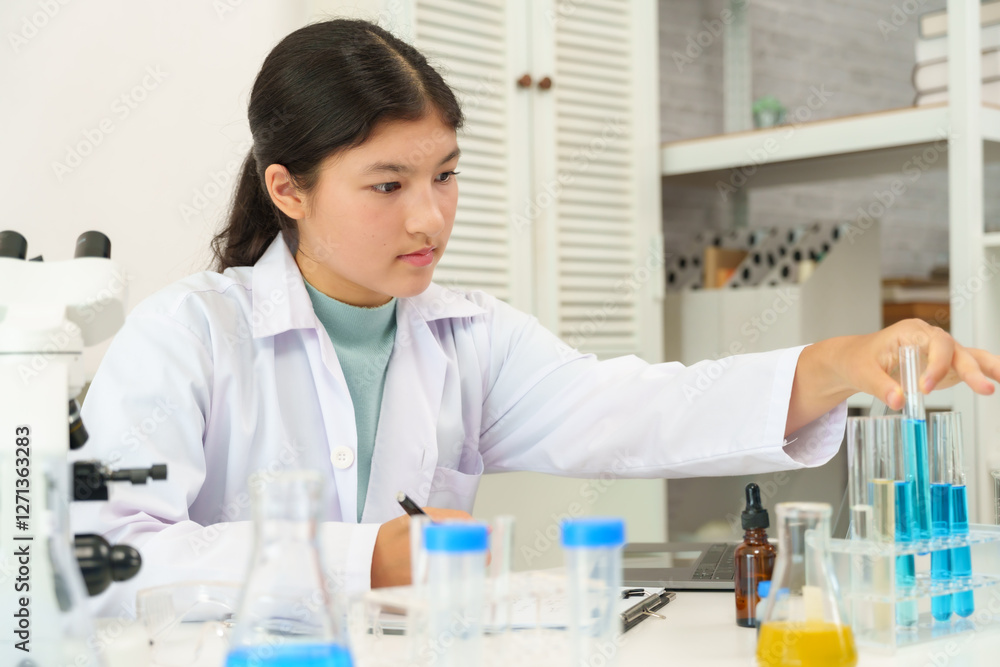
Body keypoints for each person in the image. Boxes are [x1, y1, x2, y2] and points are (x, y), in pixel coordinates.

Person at [74, 18, 1000, 615]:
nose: (430, 215)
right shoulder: (187, 335)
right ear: (290, 190)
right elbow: (104, 562)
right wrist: (367, 560)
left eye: (445, 175)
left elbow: (640, 409)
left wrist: (845, 358)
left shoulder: (468, 337)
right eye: (387, 184)